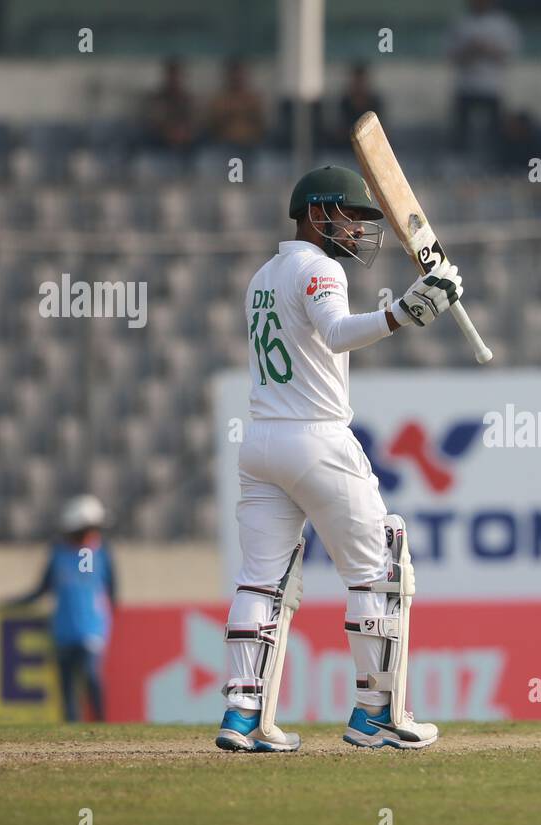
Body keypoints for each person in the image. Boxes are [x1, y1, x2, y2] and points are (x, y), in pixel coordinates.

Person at [215, 165, 463, 753]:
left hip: (261, 443)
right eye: (350, 216)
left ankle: (244, 718)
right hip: (317, 439)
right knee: (382, 568)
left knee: (262, 583)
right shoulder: (319, 267)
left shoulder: (262, 275)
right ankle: (375, 715)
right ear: (318, 213)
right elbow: (335, 333)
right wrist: (406, 312)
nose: (356, 229)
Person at [2, 495, 116, 723]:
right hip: (63, 631)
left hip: (91, 630)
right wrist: (11, 604)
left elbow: (112, 591)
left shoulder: (100, 553)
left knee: (91, 677)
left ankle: (103, 727)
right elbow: (42, 588)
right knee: (67, 688)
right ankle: (72, 738)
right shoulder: (59, 553)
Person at [448, 0, 521, 158]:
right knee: (462, 132)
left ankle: (494, 162)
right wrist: (470, 50)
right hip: (466, 85)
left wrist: (488, 49)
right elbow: (451, 55)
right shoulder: (462, 23)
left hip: (492, 86)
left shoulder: (502, 23)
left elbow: (510, 54)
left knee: (493, 132)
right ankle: (460, 163)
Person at [206, 58, 266, 149]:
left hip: (251, 145)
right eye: (234, 74)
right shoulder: (219, 100)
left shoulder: (253, 99)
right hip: (224, 146)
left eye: (240, 74)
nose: (237, 78)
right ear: (228, 76)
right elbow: (212, 127)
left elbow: (261, 126)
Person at [144, 57, 197, 153]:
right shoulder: (157, 99)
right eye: (171, 75)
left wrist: (183, 133)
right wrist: (169, 132)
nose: (174, 79)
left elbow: (195, 123)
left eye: (177, 75)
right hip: (160, 144)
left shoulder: (188, 100)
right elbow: (153, 122)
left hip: (187, 145)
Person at [339, 62, 384, 136]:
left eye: (361, 81)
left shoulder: (374, 103)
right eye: (357, 82)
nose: (359, 86)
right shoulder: (346, 102)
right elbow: (342, 129)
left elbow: (381, 130)